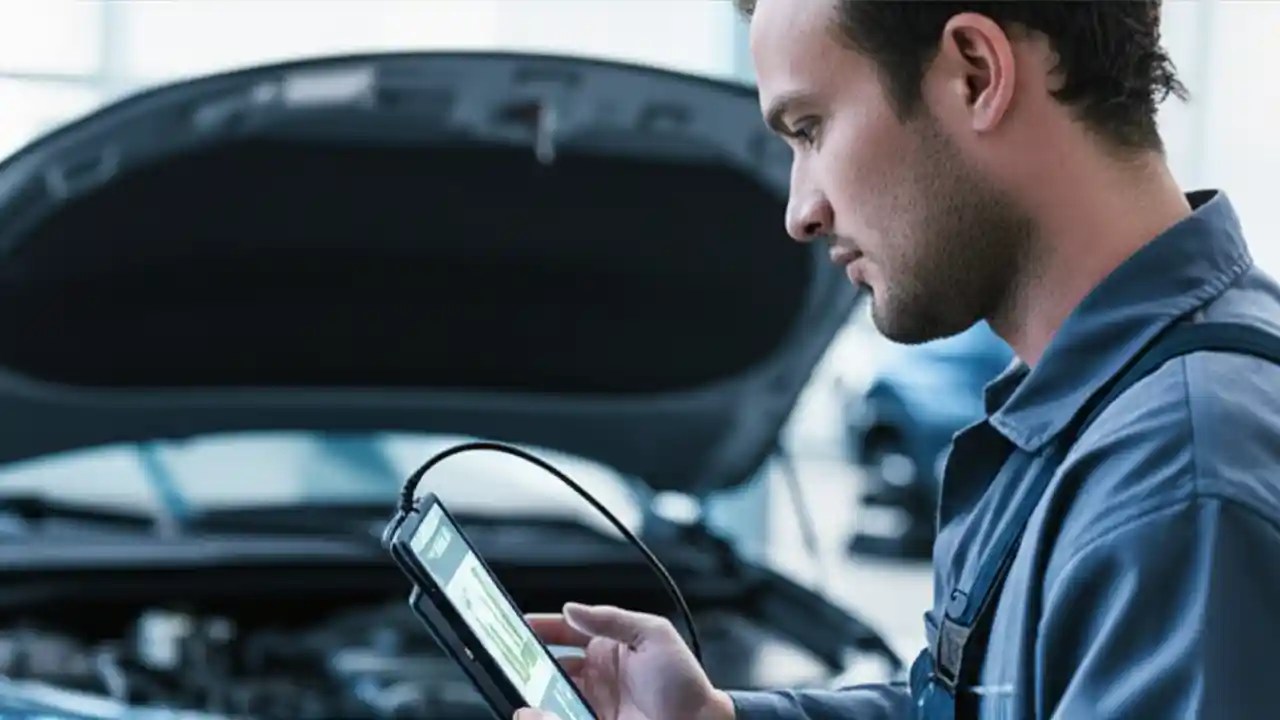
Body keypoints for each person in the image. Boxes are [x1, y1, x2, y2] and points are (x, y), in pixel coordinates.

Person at [517, 0, 1280, 718]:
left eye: (810, 128)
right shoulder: (1101, 418)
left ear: (975, 74)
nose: (800, 211)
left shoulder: (1178, 483)